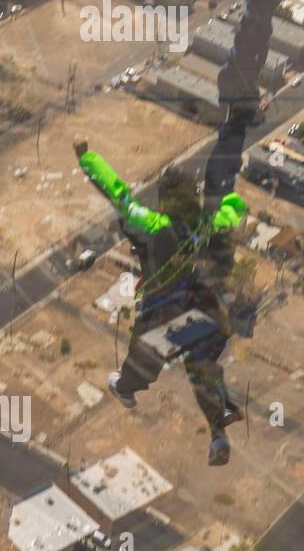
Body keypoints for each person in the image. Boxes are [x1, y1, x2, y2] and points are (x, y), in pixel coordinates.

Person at [74, 137, 248, 466]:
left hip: (164, 315)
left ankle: (127, 388)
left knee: (141, 364)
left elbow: (119, 194)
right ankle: (218, 429)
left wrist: (87, 158)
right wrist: (231, 205)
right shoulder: (205, 225)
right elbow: (232, 210)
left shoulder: (156, 225)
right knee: (201, 370)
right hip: (204, 311)